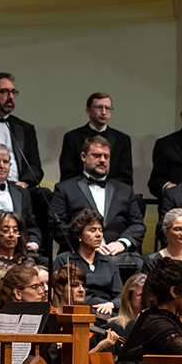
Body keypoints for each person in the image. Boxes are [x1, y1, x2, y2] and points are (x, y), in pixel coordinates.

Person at [49, 136, 144, 266]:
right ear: (83, 156)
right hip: (78, 253)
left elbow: (137, 225)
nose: (102, 160)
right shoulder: (65, 188)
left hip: (118, 253)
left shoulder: (125, 190)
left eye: (106, 156)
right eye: (97, 155)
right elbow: (57, 225)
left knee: (140, 268)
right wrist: (87, 243)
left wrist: (121, 243)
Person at [57, 210, 124, 316]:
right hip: (78, 311)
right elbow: (57, 292)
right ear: (79, 235)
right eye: (92, 230)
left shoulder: (109, 262)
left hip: (106, 311)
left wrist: (111, 304)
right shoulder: (65, 259)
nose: (98, 235)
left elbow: (120, 295)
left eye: (100, 230)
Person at [59, 92, 134, 185]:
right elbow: (68, 175)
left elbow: (125, 177)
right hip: (78, 194)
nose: (103, 112)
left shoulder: (122, 140)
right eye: (99, 107)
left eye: (107, 108)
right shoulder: (72, 137)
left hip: (113, 195)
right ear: (88, 111)